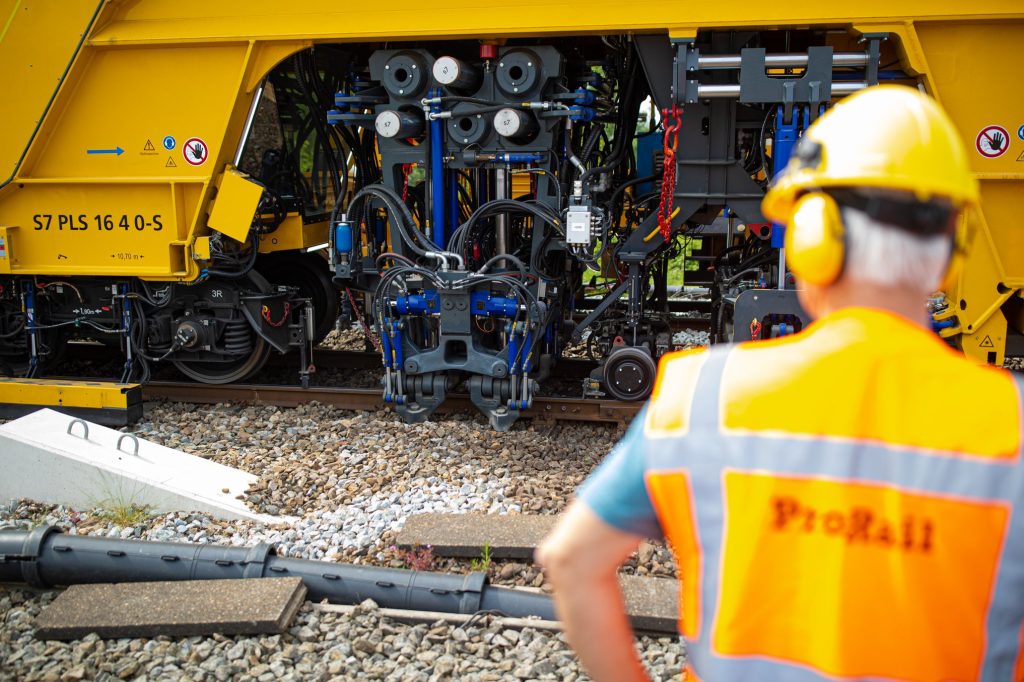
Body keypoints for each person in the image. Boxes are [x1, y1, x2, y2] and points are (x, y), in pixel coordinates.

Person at [536, 84, 1024, 681]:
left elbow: (570, 559)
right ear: (953, 254)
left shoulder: (701, 398)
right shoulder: (1012, 430)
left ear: (812, 241)